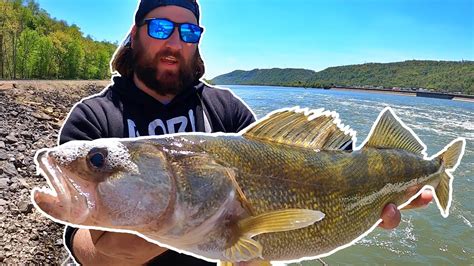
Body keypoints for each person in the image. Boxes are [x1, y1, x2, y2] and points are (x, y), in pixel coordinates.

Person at [58, 0, 433, 265]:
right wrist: (173, 220)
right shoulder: (93, 121)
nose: (175, 42)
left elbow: (311, 171)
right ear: (134, 35)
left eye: (188, 31)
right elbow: (86, 252)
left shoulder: (226, 109)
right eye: (160, 28)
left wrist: (386, 192)